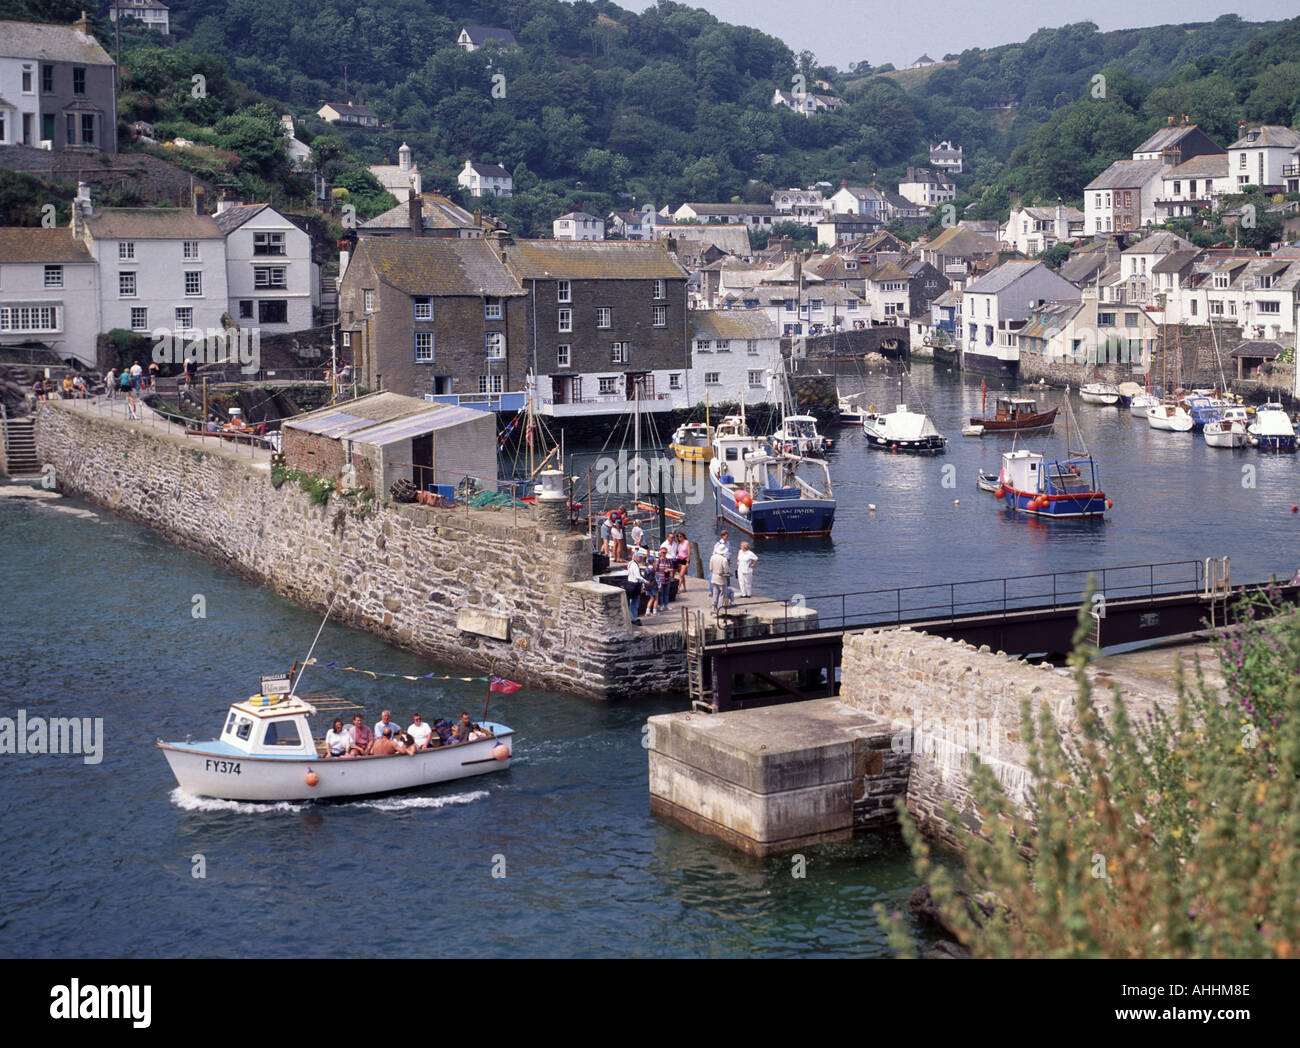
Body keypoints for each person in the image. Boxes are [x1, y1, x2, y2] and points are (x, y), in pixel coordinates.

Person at [709, 545, 731, 614]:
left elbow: (710, 568)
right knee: (722, 593)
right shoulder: (723, 559)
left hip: (714, 576)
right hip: (721, 578)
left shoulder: (712, 557)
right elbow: (726, 570)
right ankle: (719, 607)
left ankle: (713, 606)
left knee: (715, 592)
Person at [625, 551, 646, 624]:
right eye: (639, 557)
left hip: (629, 584)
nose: (640, 559)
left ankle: (631, 617)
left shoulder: (630, 563)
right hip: (635, 585)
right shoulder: (635, 565)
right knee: (635, 603)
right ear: (636, 557)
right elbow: (637, 576)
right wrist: (645, 581)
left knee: (631, 602)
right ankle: (633, 618)